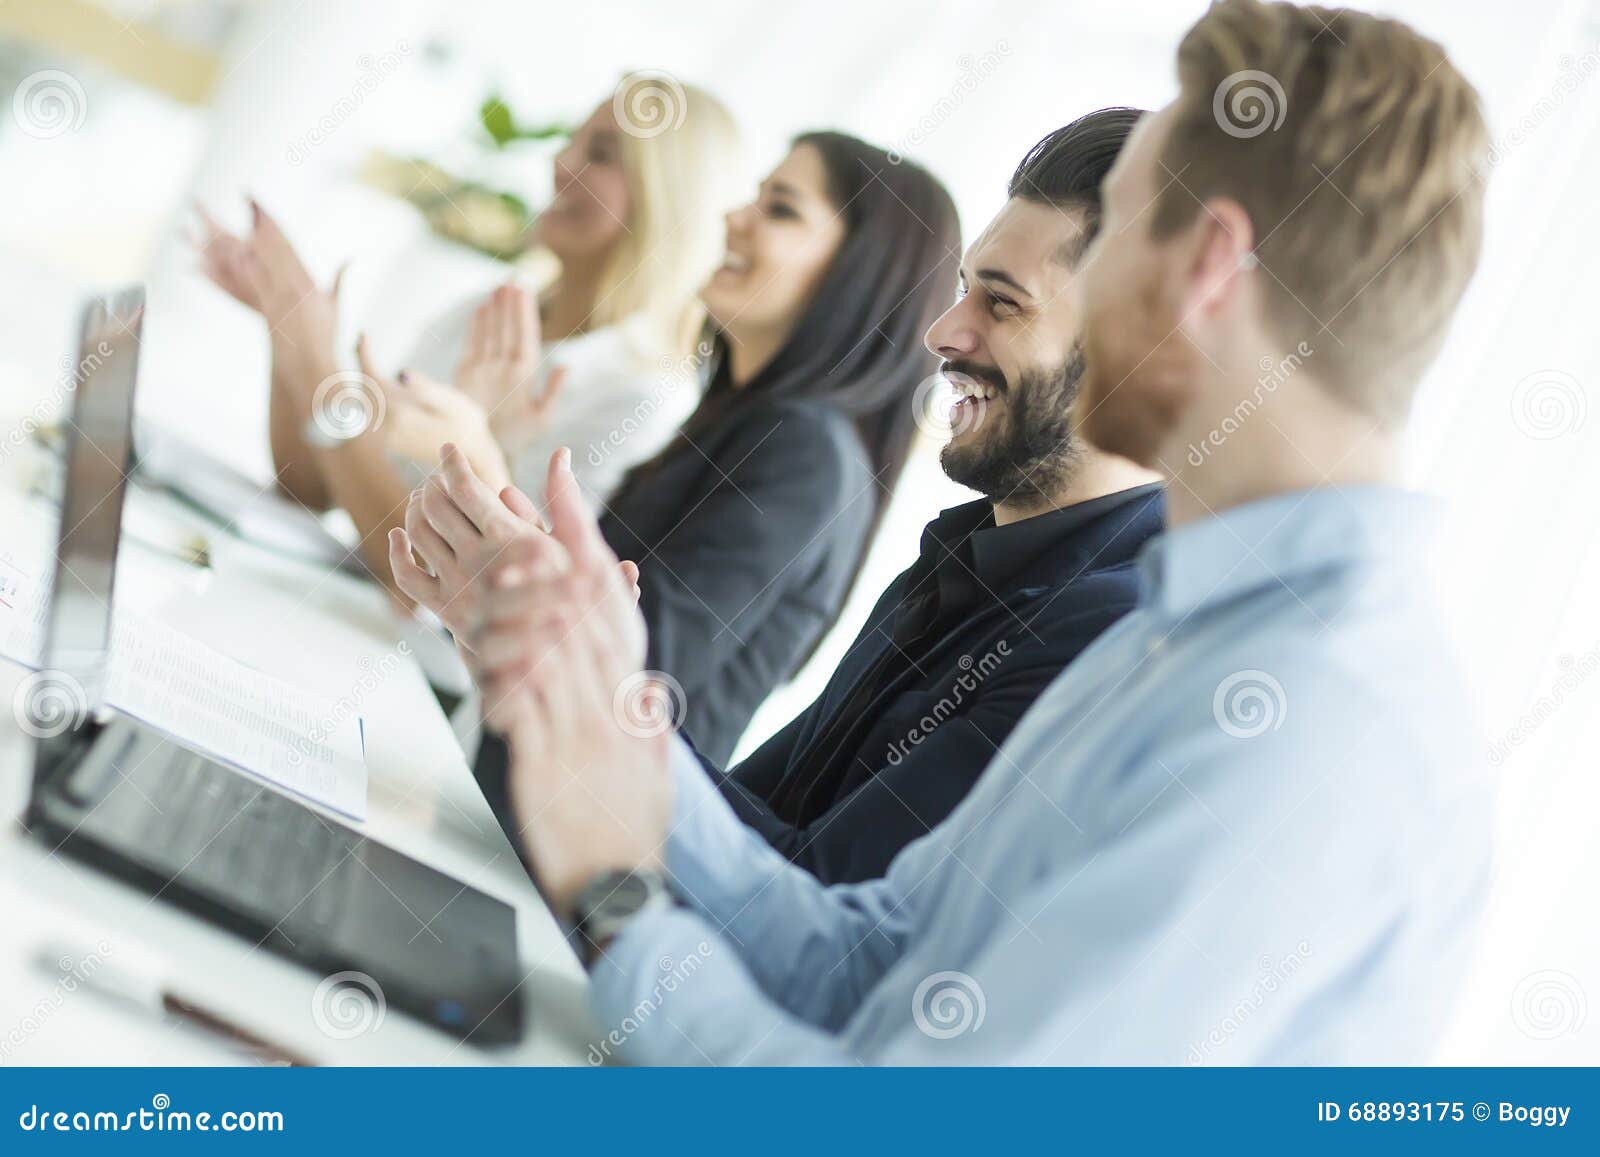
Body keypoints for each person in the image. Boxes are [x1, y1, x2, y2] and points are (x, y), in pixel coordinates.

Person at [439, 0, 1497, 1065]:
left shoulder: (1309, 722)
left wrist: (617, 896)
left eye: (1119, 230)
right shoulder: (1181, 635)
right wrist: (597, 703)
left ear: (1205, 266)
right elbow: (861, 957)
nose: (941, 337)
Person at [401, 110, 1164, 884]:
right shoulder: (952, 562)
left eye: (1001, 303)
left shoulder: (1105, 630)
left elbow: (807, 893)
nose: (941, 331)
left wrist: (560, 655)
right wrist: (542, 646)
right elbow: (760, 818)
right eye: (966, 289)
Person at [454, 132, 961, 765]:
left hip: (571, 831)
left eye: (780, 209)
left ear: (860, 274)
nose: (733, 217)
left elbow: (623, 660)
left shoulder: (807, 453)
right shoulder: (744, 421)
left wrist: (478, 450)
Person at [193, 73, 743, 591]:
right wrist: (287, 328)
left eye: (599, 154)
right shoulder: (493, 305)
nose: (561, 161)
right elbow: (310, 483)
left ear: (665, 198)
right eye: (572, 142)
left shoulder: (643, 394)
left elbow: (440, 579)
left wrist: (316, 362)